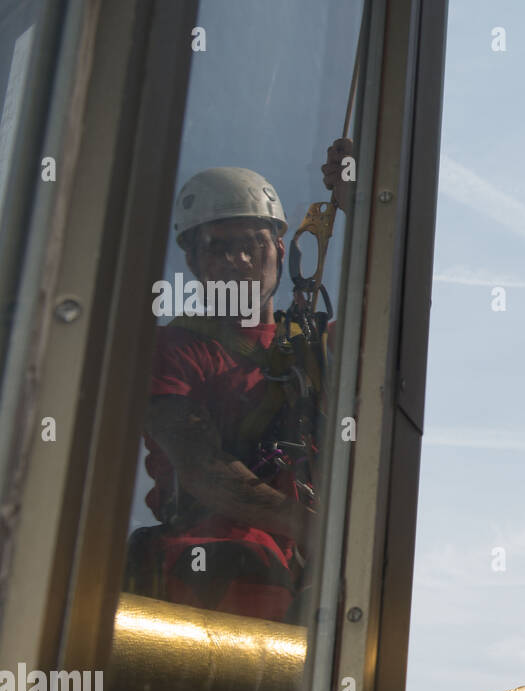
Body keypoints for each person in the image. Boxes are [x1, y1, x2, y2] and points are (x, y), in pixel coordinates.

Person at [123, 142, 353, 624]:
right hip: (215, 562)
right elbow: (204, 470)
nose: (240, 259)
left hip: (312, 568)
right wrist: (322, 534)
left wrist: (367, 201)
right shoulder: (175, 349)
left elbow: (397, 322)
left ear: (279, 249)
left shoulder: (320, 344)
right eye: (219, 247)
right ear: (194, 263)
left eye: (253, 242)